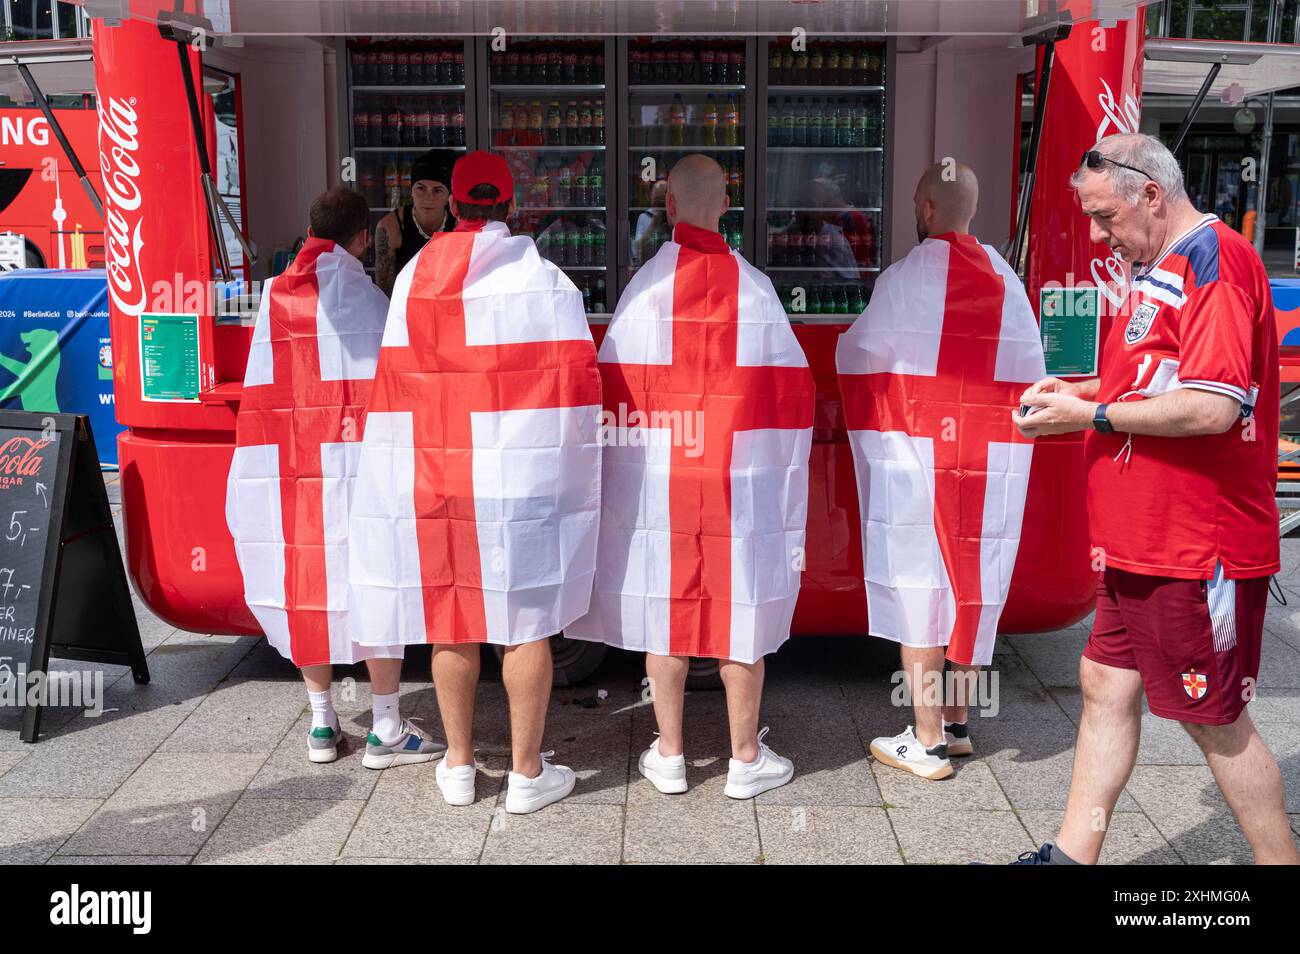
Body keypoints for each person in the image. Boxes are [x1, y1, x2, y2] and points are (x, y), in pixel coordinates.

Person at [1010, 132, 1296, 865]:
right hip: (1144, 541)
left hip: (1196, 546)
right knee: (1103, 682)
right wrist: (1080, 394)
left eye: (1106, 217)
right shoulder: (1165, 261)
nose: (1102, 237)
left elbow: (1212, 407)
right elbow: (1154, 383)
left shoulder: (1216, 261)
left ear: (1150, 194)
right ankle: (1072, 857)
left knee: (1212, 720)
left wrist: (1092, 417)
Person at [348, 151, 602, 814]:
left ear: (455, 206)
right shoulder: (547, 281)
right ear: (512, 207)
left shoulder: (414, 278)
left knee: (451, 618)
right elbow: (578, 388)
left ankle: (459, 766)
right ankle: (525, 774)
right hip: (520, 479)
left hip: (438, 471)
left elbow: (395, 384)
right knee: (526, 621)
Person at [567, 154, 815, 799]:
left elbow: (613, 398)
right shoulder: (756, 288)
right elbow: (791, 398)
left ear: (668, 207)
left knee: (664, 608)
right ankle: (743, 758)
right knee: (742, 609)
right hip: (735, 478)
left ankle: (671, 755)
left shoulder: (643, 289)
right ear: (726, 205)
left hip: (662, 481)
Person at [837, 162, 1045, 781]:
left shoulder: (902, 280)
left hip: (920, 456)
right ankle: (956, 725)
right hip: (990, 460)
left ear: (924, 208)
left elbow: (860, 353)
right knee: (975, 581)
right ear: (971, 212)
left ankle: (924, 742)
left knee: (919, 581)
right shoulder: (1009, 282)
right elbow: (1028, 369)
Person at [226, 186, 444, 768]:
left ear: (309, 224)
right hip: (358, 469)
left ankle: (322, 724)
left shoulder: (273, 294)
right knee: (376, 579)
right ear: (361, 236)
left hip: (292, 468)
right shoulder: (369, 297)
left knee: (303, 583)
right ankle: (387, 728)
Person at [373, 149, 458, 296]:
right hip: (404, 308)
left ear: (449, 197)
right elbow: (385, 293)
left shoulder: (459, 224)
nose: (428, 197)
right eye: (421, 188)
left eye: (437, 190)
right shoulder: (390, 227)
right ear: (411, 191)